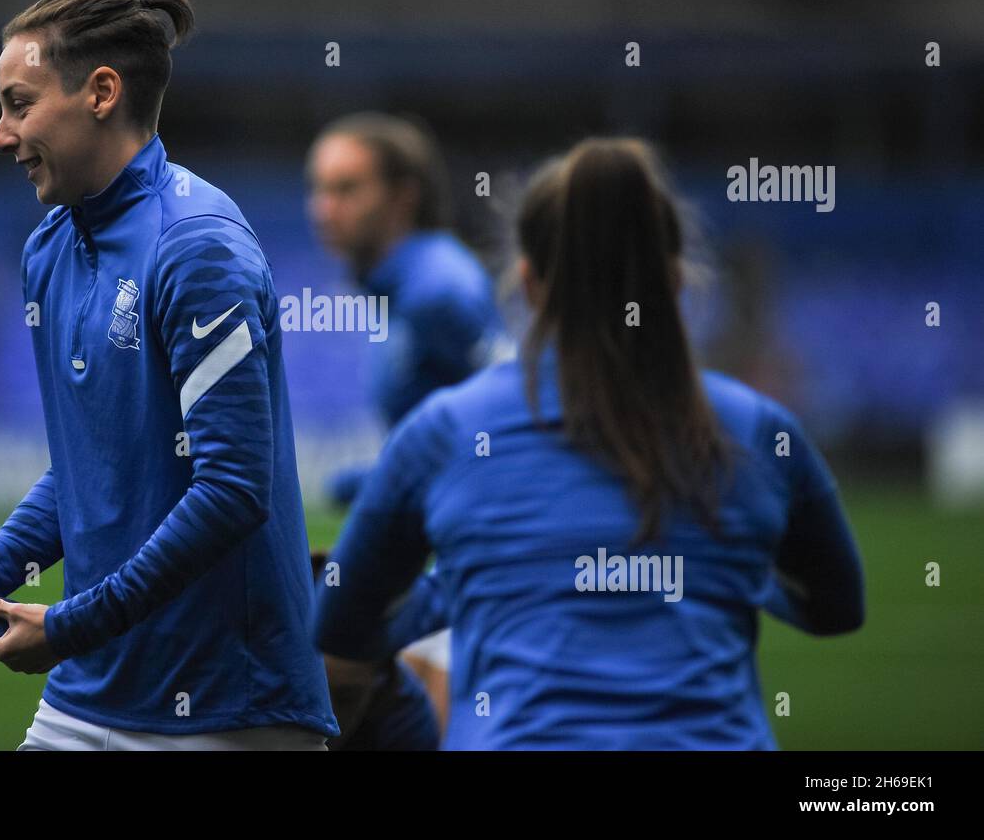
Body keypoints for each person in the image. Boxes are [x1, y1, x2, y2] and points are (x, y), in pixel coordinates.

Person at [0, 0, 338, 750]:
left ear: (100, 93)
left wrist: (67, 625)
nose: (1, 135)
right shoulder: (49, 250)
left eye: (18, 104)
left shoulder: (198, 246)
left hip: (228, 709)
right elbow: (91, 467)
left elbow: (232, 490)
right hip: (88, 696)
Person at [311, 137, 865, 749]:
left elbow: (340, 626)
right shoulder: (761, 429)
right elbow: (837, 608)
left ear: (526, 281)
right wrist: (732, 570)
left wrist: (455, 588)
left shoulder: (446, 429)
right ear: (678, 277)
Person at [305, 113, 505, 733]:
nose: (323, 207)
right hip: (441, 543)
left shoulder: (438, 291)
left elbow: (506, 421)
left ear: (403, 196)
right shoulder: (398, 284)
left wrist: (392, 491)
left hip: (472, 556)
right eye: (318, 188)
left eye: (346, 188)